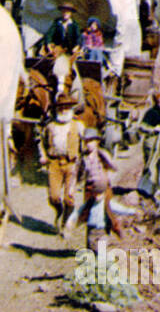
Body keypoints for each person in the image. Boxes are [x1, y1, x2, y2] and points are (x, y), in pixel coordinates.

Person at [67, 129, 117, 252]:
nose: (89, 144)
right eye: (87, 141)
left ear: (97, 142)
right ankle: (90, 246)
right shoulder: (83, 158)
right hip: (90, 190)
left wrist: (107, 174)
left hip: (104, 188)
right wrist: (72, 188)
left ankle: (104, 241)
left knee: (106, 213)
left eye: (92, 141)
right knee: (90, 215)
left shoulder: (102, 154)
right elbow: (76, 174)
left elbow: (113, 167)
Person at [40, 93, 83, 230]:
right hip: (54, 163)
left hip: (72, 163)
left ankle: (65, 221)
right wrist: (43, 155)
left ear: (71, 108)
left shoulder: (78, 125)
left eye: (67, 107)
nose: (64, 110)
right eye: (61, 108)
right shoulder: (50, 126)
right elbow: (41, 142)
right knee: (54, 196)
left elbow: (87, 143)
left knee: (69, 197)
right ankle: (59, 211)